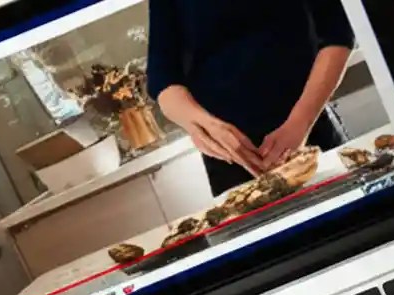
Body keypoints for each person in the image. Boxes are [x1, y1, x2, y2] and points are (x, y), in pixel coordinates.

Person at [147, 0, 354, 196]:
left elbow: (338, 34)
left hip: (310, 132)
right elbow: (161, 77)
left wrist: (300, 122)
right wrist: (201, 124)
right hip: (230, 158)